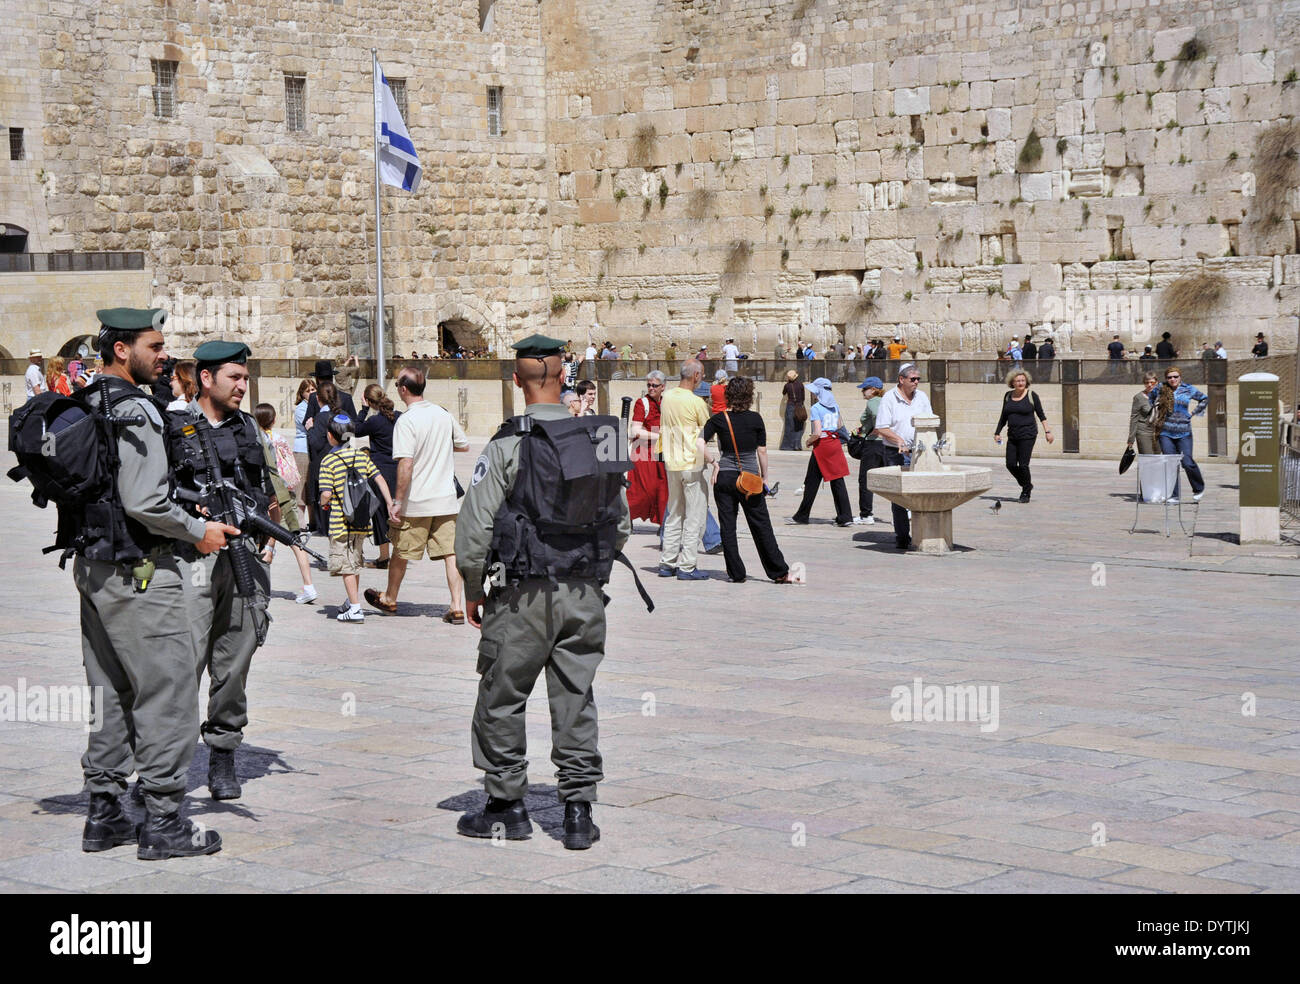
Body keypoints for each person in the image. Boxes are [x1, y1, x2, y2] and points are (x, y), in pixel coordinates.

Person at [59, 308, 232, 858]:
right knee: (168, 691)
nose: (164, 356)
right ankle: (163, 820)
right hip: (141, 571)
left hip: (96, 567)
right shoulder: (136, 409)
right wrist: (198, 530)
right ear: (120, 351)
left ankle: (104, 813)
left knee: (111, 692)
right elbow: (144, 501)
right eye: (154, 347)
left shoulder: (88, 401)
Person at [454, 333, 631, 851]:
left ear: (517, 380)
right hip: (584, 592)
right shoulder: (599, 439)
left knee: (501, 697)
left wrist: (471, 586)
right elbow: (619, 524)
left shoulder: (508, 443)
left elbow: (474, 530)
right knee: (576, 697)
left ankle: (507, 808)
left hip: (522, 597)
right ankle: (578, 813)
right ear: (563, 377)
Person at [172, 340, 282, 802]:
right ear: (205, 378)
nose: (243, 386)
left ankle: (222, 754)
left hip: (243, 557)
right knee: (180, 665)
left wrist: (274, 531)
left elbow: (267, 484)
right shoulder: (171, 426)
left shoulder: (247, 429)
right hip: (189, 559)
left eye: (245, 377)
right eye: (234, 377)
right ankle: (165, 768)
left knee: (234, 660)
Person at [365, 366, 470, 622]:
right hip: (445, 499)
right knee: (450, 553)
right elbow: (464, 445)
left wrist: (397, 501)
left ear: (402, 389)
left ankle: (390, 597)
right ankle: (456, 606)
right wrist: (439, 449)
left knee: (401, 550)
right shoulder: (442, 414)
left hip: (418, 500)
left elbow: (406, 464)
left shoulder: (407, 420)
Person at [698, 376, 791, 583]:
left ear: (728, 395)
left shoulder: (719, 419)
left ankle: (736, 574)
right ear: (749, 396)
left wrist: (714, 462)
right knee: (761, 525)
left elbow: (699, 442)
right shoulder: (756, 419)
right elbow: (762, 451)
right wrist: (765, 478)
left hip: (724, 477)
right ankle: (779, 572)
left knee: (727, 526)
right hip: (749, 479)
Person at [319, 413, 395, 622]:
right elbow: (379, 479)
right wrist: (389, 503)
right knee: (354, 562)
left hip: (340, 522)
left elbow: (326, 493)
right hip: (361, 521)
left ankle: (354, 607)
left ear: (330, 436)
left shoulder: (329, 461)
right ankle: (351, 600)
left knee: (346, 565)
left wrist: (322, 503)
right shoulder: (362, 456)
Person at [253, 402, 317, 605]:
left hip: (269, 493)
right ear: (273, 420)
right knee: (295, 540)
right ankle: (309, 586)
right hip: (286, 491)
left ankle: (258, 585)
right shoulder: (279, 438)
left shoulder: (257, 440)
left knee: (262, 540)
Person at [658, 359, 711, 580]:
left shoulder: (666, 397)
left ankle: (667, 562)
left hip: (672, 462)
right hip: (691, 463)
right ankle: (687, 565)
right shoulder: (697, 402)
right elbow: (707, 432)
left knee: (674, 513)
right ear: (696, 376)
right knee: (695, 516)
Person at [873, 364, 933, 550]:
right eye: (913, 379)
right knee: (899, 497)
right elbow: (881, 427)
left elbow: (929, 420)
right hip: (895, 452)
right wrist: (898, 439)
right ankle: (902, 536)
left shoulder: (921, 397)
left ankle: (923, 533)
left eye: (918, 379)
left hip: (919, 451)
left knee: (920, 493)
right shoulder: (889, 398)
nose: (916, 382)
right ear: (902, 379)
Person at [788, 377, 853, 526]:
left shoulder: (816, 408)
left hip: (822, 446)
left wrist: (809, 441)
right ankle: (845, 516)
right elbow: (839, 425)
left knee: (812, 481)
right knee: (837, 480)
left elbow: (817, 432)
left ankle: (802, 515)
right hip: (834, 444)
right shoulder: (835, 406)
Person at [356, 383, 402, 569]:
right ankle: (400, 554)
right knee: (398, 512)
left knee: (381, 513)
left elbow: (355, 429)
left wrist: (363, 410)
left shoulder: (374, 421)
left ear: (369, 400)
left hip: (379, 472)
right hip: (399, 470)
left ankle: (384, 557)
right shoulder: (399, 417)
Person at [993, 369, 1053, 503]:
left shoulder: (1032, 395)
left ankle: (1026, 492)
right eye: (1018, 381)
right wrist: (997, 432)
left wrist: (1047, 432)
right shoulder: (1008, 396)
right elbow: (1003, 416)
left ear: (1026, 382)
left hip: (1028, 434)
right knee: (1010, 464)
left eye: (1023, 380)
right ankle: (1027, 484)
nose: (1021, 383)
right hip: (1013, 435)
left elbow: (1041, 414)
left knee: (1023, 465)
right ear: (1012, 382)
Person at [1150, 366, 1208, 503]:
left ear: (1180, 377)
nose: (1173, 379)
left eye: (1175, 376)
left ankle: (1199, 488)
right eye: (1170, 377)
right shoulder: (1161, 388)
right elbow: (1150, 397)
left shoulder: (1188, 389)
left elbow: (1204, 399)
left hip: (1184, 432)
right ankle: (1173, 495)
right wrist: (1154, 412)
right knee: (1170, 464)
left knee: (1187, 462)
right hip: (1166, 432)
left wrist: (1193, 413)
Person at [627, 370, 669, 527]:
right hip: (643, 451)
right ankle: (626, 518)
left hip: (660, 451)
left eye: (654, 385)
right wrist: (659, 436)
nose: (651, 388)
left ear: (663, 387)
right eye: (649, 385)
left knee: (662, 487)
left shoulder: (666, 402)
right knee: (644, 489)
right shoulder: (642, 403)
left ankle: (664, 523)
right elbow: (635, 430)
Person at [304, 379, 338, 535]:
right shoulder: (342, 415)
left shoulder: (320, 418)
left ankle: (323, 528)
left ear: (318, 398)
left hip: (322, 463)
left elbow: (315, 443)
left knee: (322, 495)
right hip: (340, 462)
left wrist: (310, 429)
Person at [855, 375, 885, 524]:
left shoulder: (873, 401)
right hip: (886, 445)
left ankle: (866, 515)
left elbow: (877, 415)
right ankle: (905, 510)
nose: (863, 392)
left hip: (873, 444)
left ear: (873, 390)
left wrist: (878, 429)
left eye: (864, 389)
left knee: (865, 480)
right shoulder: (886, 401)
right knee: (891, 479)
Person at [292, 377, 315, 517]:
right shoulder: (301, 409)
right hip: (303, 450)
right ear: (302, 393)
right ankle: (301, 521)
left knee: (311, 486)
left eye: (313, 389)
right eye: (308, 391)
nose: (311, 393)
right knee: (301, 487)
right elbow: (310, 426)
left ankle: (313, 521)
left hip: (313, 449)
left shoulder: (315, 406)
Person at [1127, 370, 1160, 456]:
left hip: (1158, 432)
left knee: (1157, 459)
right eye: (1147, 382)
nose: (1149, 385)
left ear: (1157, 382)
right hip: (1144, 432)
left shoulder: (1162, 396)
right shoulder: (1139, 397)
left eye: (1152, 382)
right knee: (1147, 458)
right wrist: (1131, 439)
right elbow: (1134, 418)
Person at [780, 370, 806, 451]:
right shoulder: (801, 385)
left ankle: (787, 446)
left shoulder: (787, 385)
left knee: (789, 426)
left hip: (790, 406)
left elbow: (783, 393)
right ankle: (797, 445)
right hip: (799, 406)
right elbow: (803, 397)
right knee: (799, 426)